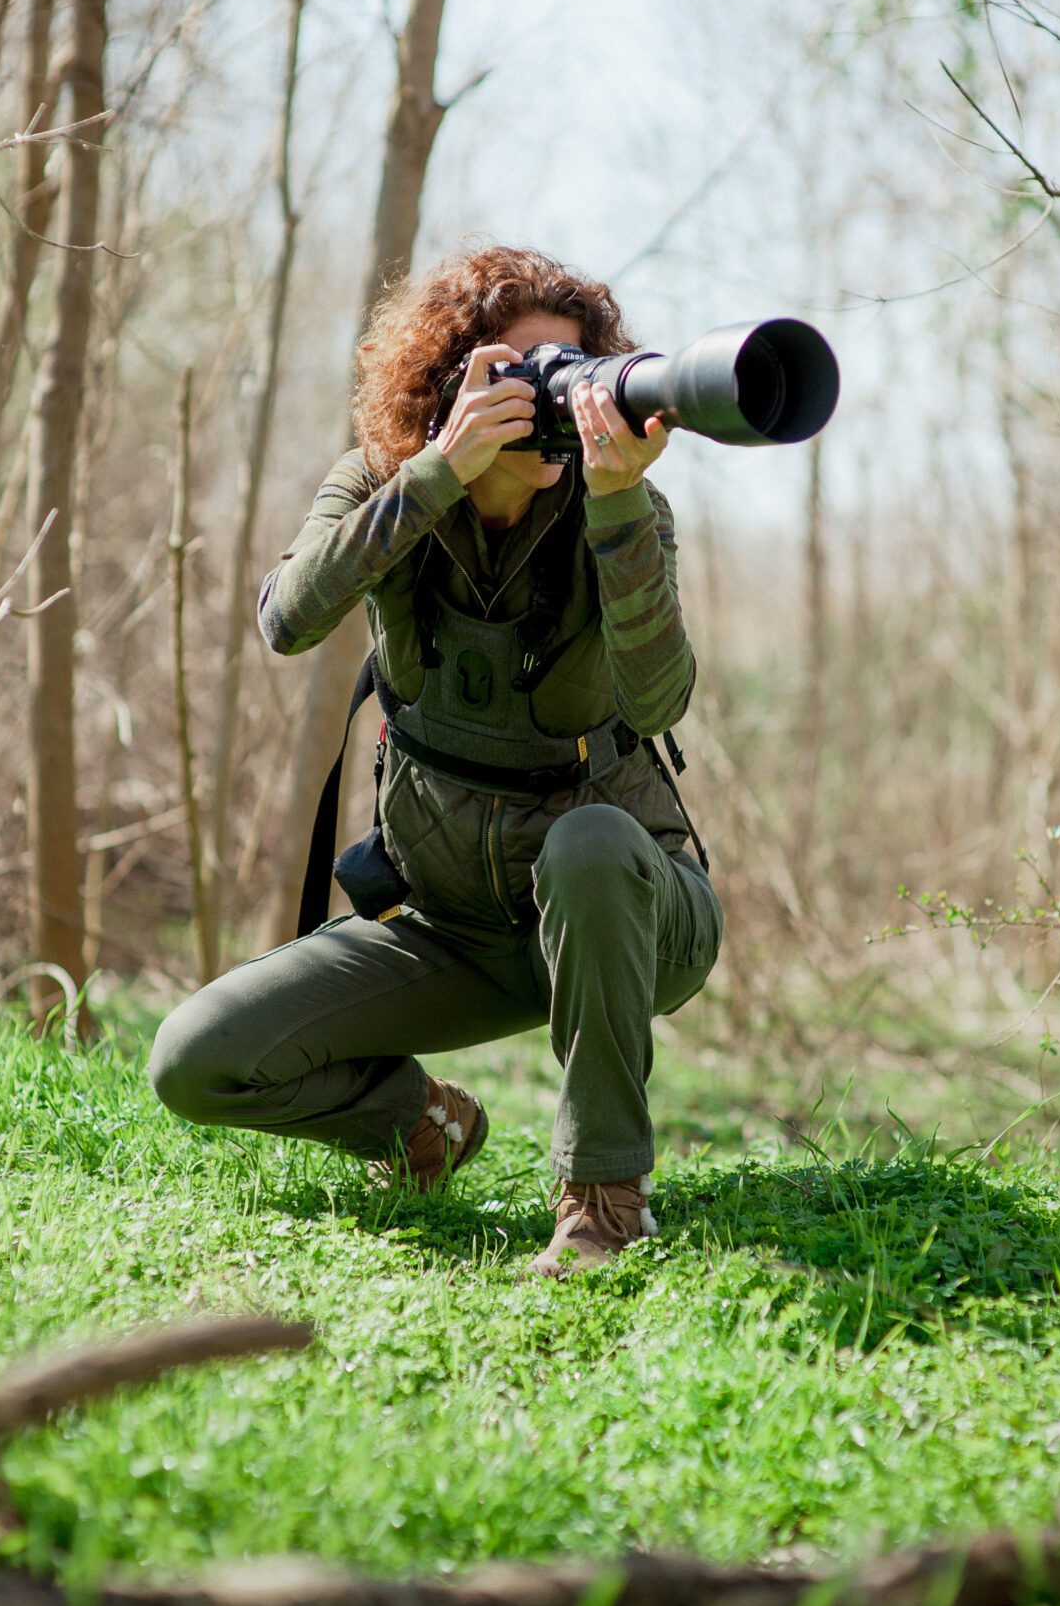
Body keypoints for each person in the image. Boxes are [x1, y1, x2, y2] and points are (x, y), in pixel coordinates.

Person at [149, 246, 724, 1279]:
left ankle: (603, 1201)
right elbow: (286, 617)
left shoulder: (625, 510)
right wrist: (434, 474)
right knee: (196, 1060)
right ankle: (422, 1123)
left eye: (576, 372)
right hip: (454, 922)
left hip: (627, 911)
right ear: (452, 383)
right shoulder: (385, 480)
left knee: (594, 840)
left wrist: (618, 507)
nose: (558, 399)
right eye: (524, 374)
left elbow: (658, 698)